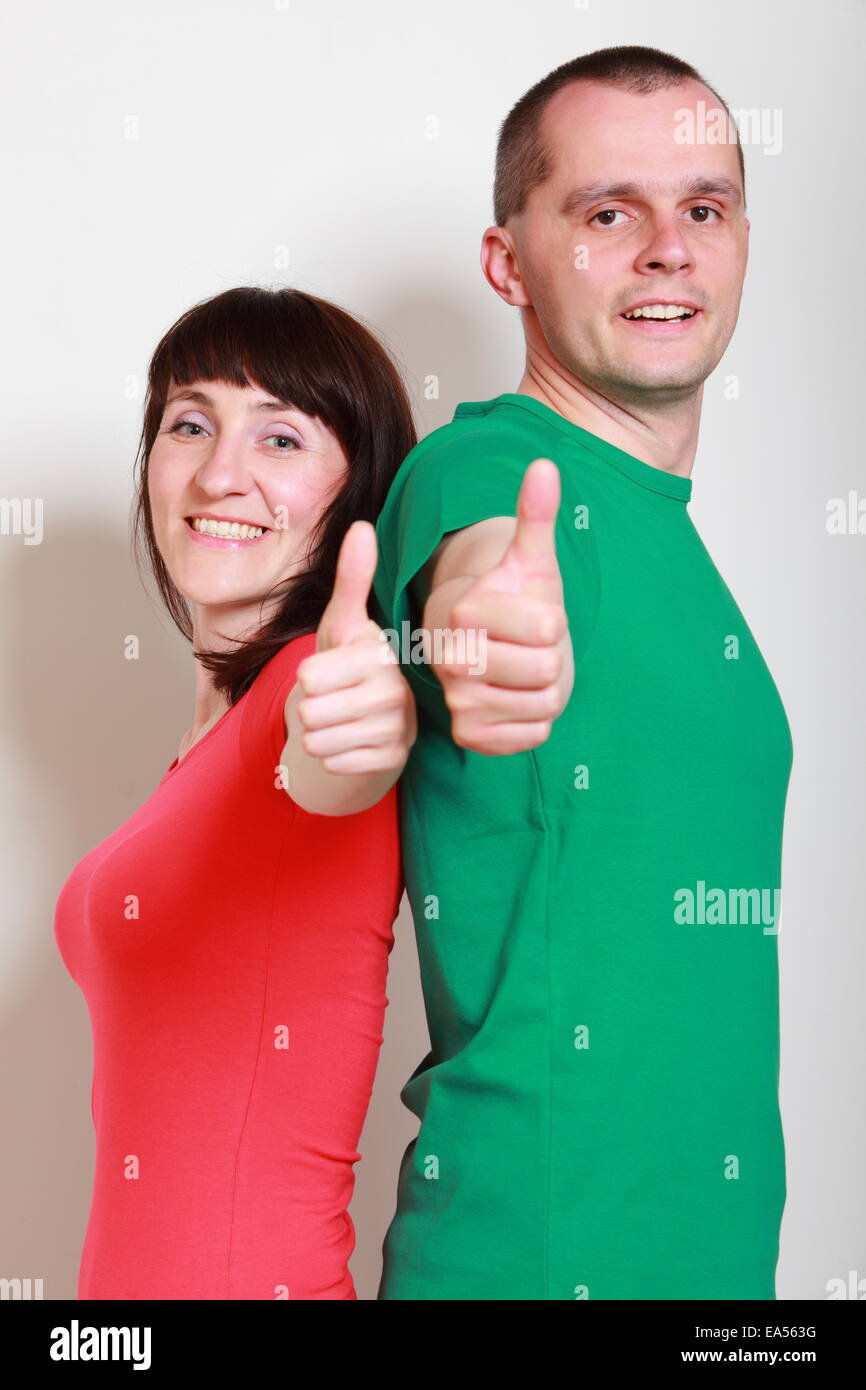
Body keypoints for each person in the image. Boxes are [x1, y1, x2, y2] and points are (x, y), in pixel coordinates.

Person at [372, 46, 793, 1300]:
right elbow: (478, 586)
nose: (668, 247)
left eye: (701, 210)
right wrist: (475, 637)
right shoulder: (486, 470)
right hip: (527, 1256)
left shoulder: (675, 542)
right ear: (508, 262)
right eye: (609, 213)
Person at [54, 285, 418, 1299]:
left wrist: (362, 716)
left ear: (356, 489)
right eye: (190, 422)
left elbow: (341, 753)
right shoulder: (204, 747)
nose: (222, 471)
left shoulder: (308, 684)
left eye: (282, 438)